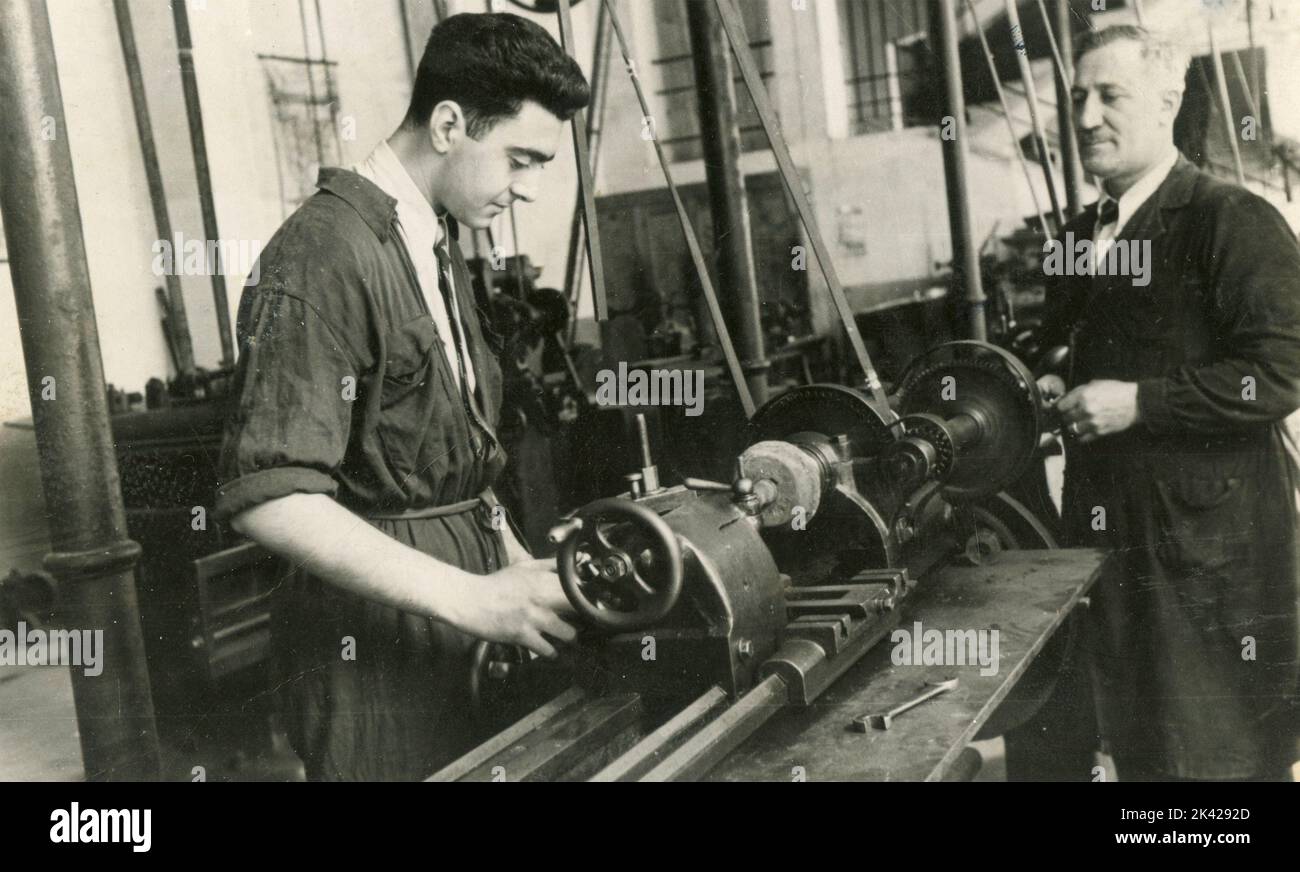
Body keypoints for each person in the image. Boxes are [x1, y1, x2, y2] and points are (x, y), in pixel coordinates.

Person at [213, 12, 589, 781]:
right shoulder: (322, 254)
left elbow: (445, 452)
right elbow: (270, 498)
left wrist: (514, 569)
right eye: (520, 159)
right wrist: (475, 599)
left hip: (454, 629)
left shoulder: (427, 240)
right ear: (449, 123)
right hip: (371, 656)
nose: (529, 189)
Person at [1036, 24, 1300, 781]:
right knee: (1144, 756)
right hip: (1111, 547)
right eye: (1077, 97)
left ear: (1166, 101)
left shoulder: (1230, 220)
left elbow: (1281, 371)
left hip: (1210, 567)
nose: (1085, 117)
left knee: (1216, 765)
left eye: (1108, 96)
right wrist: (1053, 378)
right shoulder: (1077, 235)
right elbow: (1061, 345)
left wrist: (1141, 404)